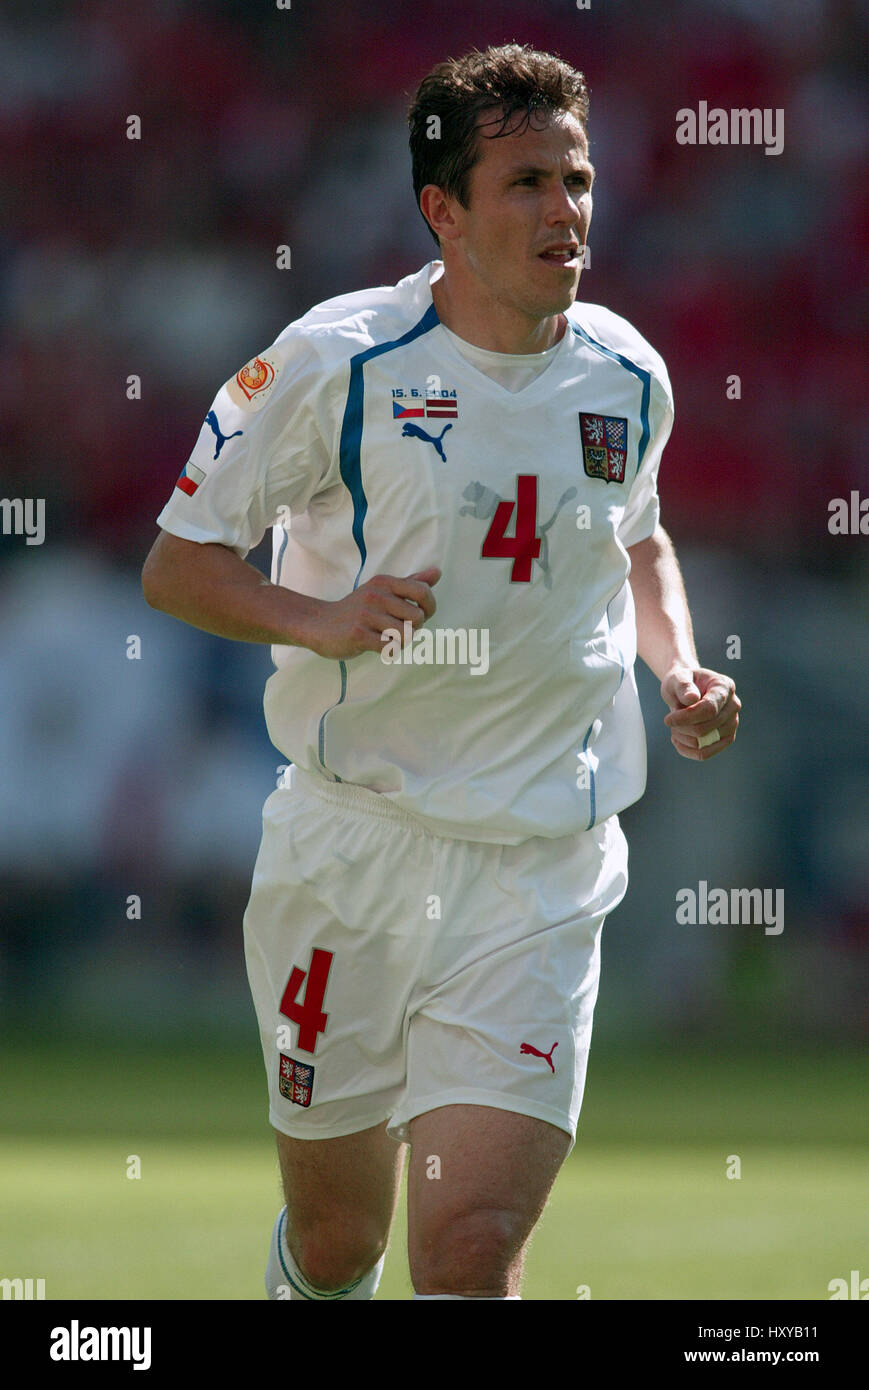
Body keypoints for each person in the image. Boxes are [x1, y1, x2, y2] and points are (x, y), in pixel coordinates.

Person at [142, 43, 740, 1301]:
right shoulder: (336, 361)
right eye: (524, 181)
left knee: (467, 1251)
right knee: (338, 1240)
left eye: (575, 177)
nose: (563, 211)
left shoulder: (626, 376)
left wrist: (676, 669)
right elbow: (178, 565)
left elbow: (635, 536)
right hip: (350, 848)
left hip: (539, 866)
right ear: (443, 211)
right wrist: (320, 618)